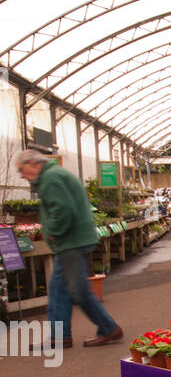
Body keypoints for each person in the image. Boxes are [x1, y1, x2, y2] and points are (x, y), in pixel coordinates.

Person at [15, 149, 123, 348]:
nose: (22, 175)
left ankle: (108, 328)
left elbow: (63, 209)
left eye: (22, 170)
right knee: (59, 290)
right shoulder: (54, 175)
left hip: (71, 242)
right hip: (74, 241)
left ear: (32, 163)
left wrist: (54, 231)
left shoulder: (50, 179)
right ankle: (61, 336)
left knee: (78, 291)